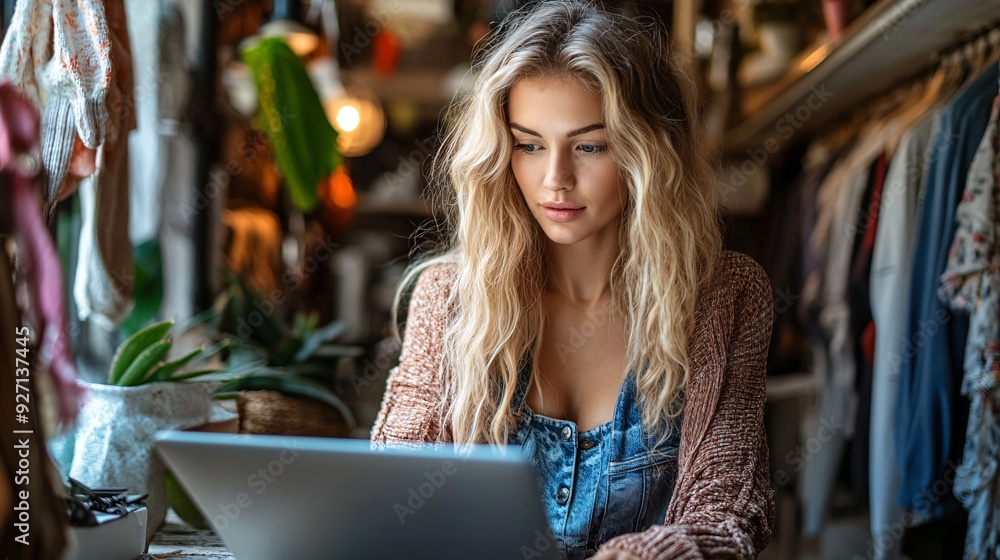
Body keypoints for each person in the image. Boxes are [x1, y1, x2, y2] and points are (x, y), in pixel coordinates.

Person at [371, 1, 775, 558]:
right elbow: (396, 479)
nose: (554, 179)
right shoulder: (449, 296)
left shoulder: (726, 296)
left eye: (590, 145)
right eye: (529, 145)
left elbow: (729, 508)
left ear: (648, 153)